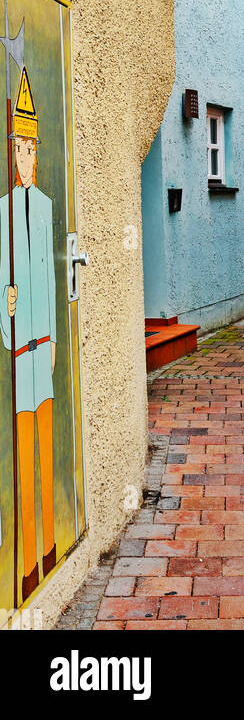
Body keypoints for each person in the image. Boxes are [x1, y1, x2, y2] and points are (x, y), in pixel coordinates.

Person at [0, 66, 56, 601]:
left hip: (44, 346)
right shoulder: (3, 212)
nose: (25, 158)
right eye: (18, 149)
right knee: (22, 450)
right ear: (11, 153)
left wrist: (54, 337)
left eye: (31, 149)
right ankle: (26, 561)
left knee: (45, 444)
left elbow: (55, 276)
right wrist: (7, 308)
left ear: (37, 153)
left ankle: (51, 543)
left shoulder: (44, 207)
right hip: (20, 348)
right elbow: (2, 281)